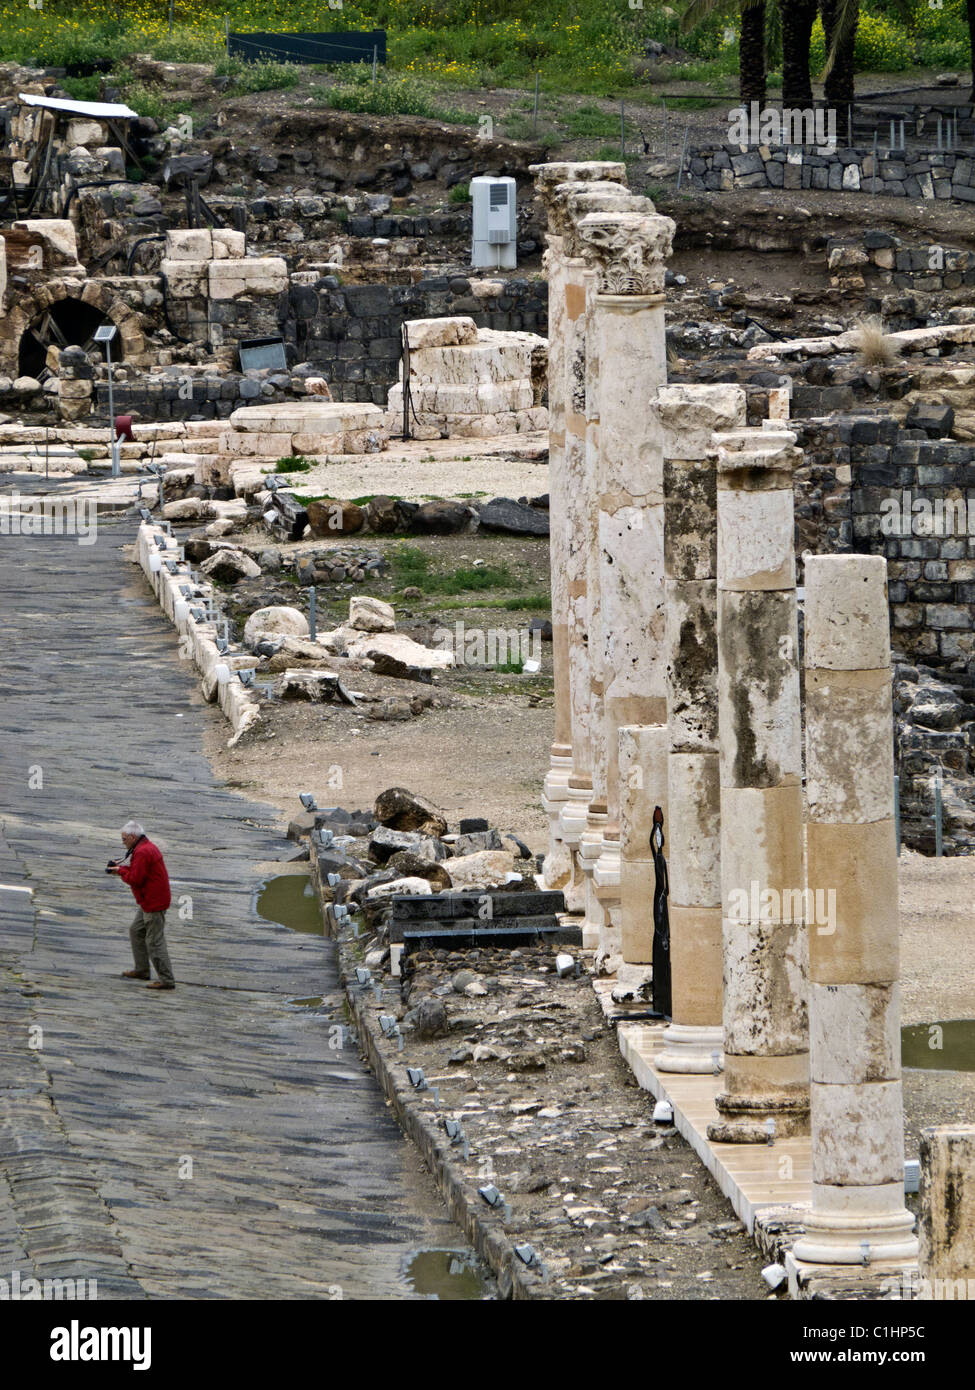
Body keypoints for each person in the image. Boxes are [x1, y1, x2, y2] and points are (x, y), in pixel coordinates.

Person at [108, 820, 175, 991]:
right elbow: (139, 872)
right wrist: (122, 868)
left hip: (153, 902)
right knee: (136, 930)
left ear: (132, 837)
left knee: (154, 941)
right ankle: (142, 970)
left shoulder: (143, 851)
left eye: (124, 839)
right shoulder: (144, 848)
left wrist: (120, 871)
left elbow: (136, 879)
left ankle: (167, 980)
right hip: (149, 900)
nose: (123, 843)